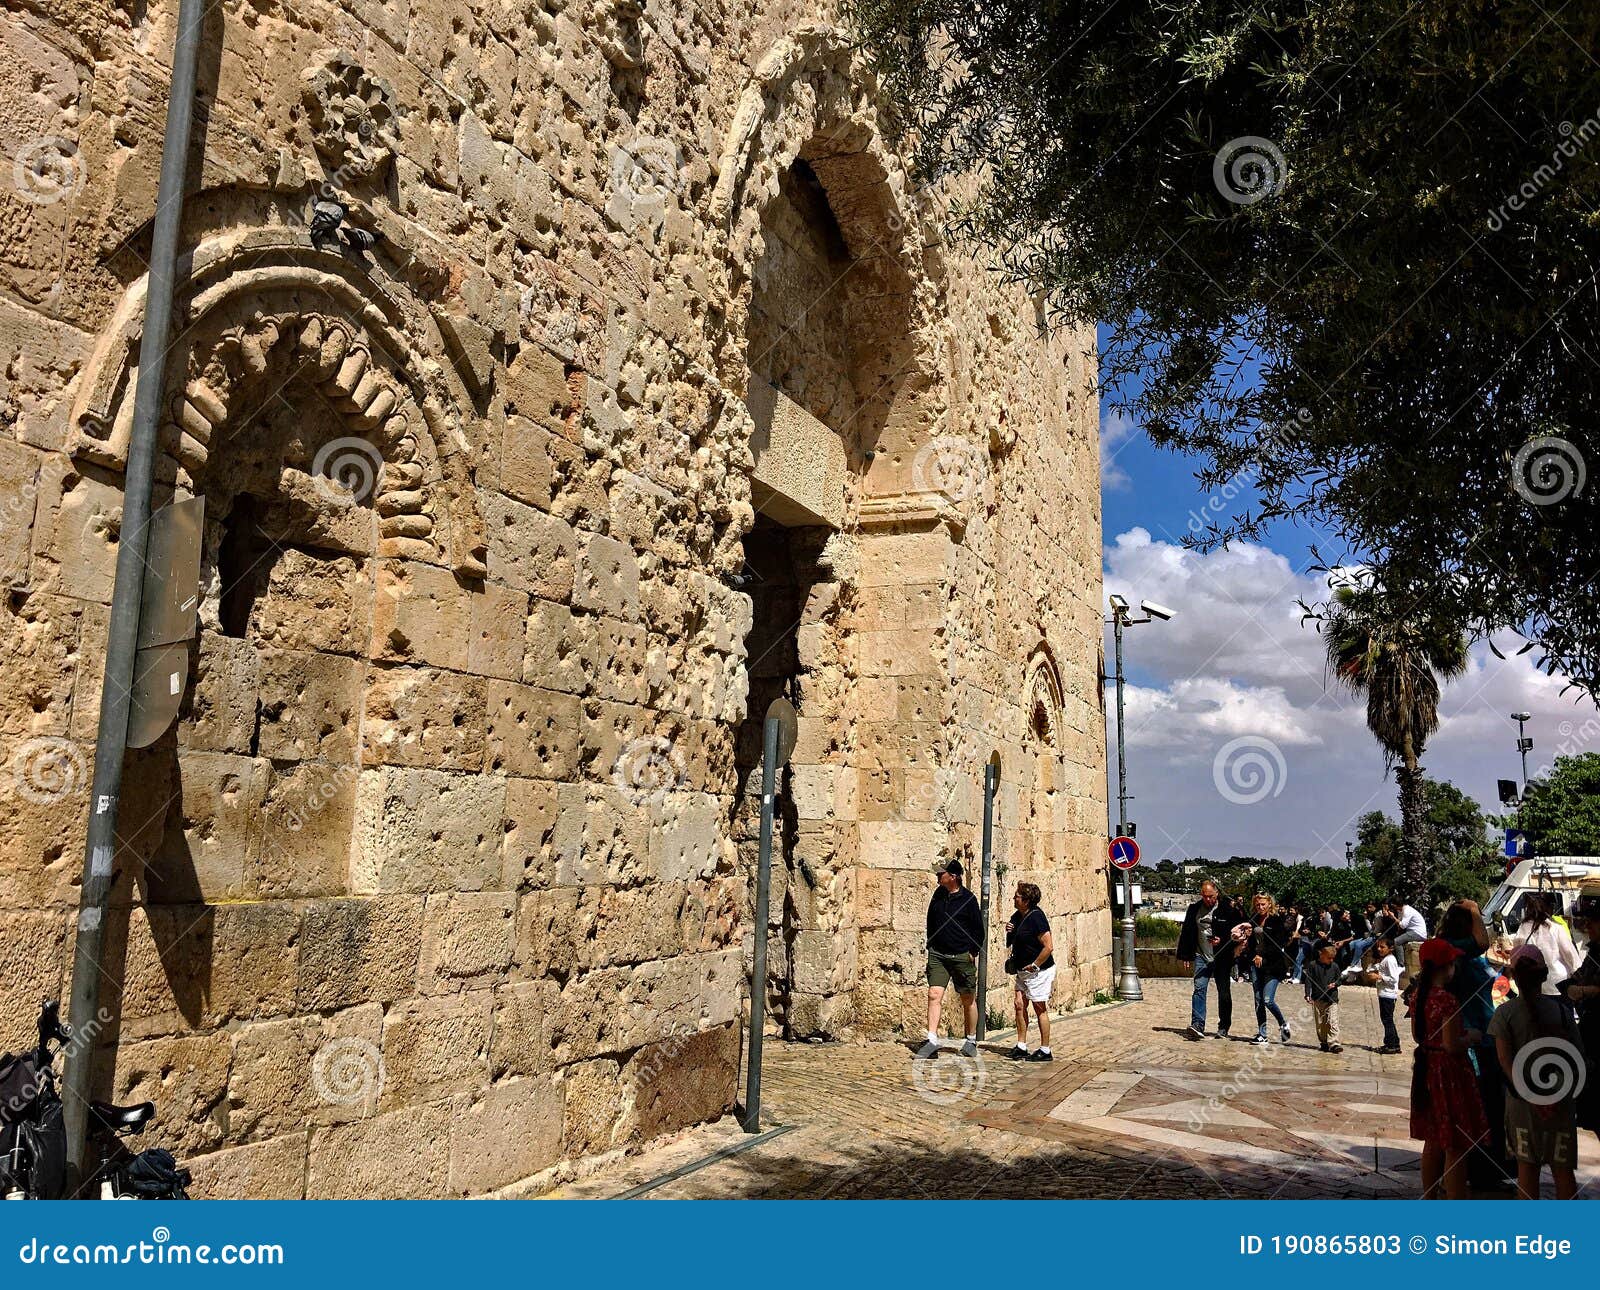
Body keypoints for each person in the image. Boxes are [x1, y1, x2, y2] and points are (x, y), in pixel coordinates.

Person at [1490, 943, 1582, 1199]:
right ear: (1544, 976)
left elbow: (1505, 1062)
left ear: (1515, 977)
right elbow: (1577, 1057)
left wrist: (1529, 1094)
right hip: (1560, 1100)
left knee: (1526, 1170)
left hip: (1522, 1103)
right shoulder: (1562, 1013)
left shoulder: (1504, 1014)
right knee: (1563, 1170)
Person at [1438, 897, 1511, 1192]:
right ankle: (1481, 1171)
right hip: (1475, 1037)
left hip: (1482, 1032)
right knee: (1485, 1104)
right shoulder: (1461, 949)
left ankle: (1480, 1169)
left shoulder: (1453, 949)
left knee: (1485, 1104)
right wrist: (1473, 909)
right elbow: (1482, 941)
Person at [1410, 938, 1489, 1199]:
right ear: (1446, 967)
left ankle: (1429, 1197)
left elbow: (1418, 1036)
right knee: (1456, 1144)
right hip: (1449, 1073)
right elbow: (1452, 1045)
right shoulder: (1447, 1001)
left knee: (1433, 1140)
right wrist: (1473, 1037)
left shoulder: (1418, 997)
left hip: (1426, 1069)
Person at [918, 859, 984, 1059]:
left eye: (941, 874)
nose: (938, 876)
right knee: (934, 995)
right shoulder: (938, 895)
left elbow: (978, 930)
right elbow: (931, 919)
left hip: (961, 955)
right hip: (938, 954)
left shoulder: (969, 900)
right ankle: (931, 1040)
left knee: (967, 998)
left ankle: (971, 1039)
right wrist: (931, 944)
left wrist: (971, 952)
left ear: (953, 877)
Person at [1176, 880, 1246, 1040]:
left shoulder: (1228, 910)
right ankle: (1197, 1025)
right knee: (1199, 989)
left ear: (1217, 894)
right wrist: (1185, 955)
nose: (1208, 899)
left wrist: (1223, 941)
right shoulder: (1194, 909)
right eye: (1205, 896)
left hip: (1221, 957)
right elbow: (1187, 931)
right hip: (1201, 956)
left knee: (1224, 993)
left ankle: (1224, 1026)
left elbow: (1239, 931)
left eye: (1211, 896)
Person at [1558, 887, 1600, 1142]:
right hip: (1591, 1030)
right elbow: (1581, 973)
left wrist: (1584, 990)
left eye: (1593, 921)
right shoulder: (1595, 949)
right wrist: (1571, 985)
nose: (1588, 927)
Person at [1004, 882, 1056, 1062]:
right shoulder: (1017, 916)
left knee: (1039, 1007)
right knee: (1019, 1004)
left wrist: (1035, 965)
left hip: (1039, 972)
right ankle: (1021, 1045)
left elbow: (1048, 946)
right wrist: (1009, 931)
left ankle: (1045, 1049)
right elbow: (1013, 940)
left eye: (1017, 896)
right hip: (1022, 971)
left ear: (1026, 900)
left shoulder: (1037, 918)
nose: (1014, 898)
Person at [1244, 893, 1293, 1045]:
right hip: (1255, 964)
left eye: (1263, 904)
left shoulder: (1276, 921)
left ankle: (1283, 1023)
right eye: (1258, 904)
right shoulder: (1253, 920)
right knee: (1258, 1000)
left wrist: (1263, 956)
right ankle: (1262, 1033)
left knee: (1267, 1000)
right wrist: (1252, 954)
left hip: (1272, 965)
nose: (1261, 907)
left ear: (1269, 904)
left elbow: (1278, 944)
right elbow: (1251, 942)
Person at [1513, 892, 1583, 994]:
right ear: (1548, 908)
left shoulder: (1522, 929)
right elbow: (1572, 958)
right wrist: (1580, 980)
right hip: (1558, 988)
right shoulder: (1555, 928)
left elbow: (1517, 958)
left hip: (1533, 989)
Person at [1302, 940, 1344, 1052]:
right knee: (1321, 1023)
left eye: (1332, 958)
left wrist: (1335, 984)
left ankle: (1334, 1043)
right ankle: (1324, 1041)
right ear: (1322, 955)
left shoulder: (1334, 966)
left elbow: (1340, 979)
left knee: (1332, 1021)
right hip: (1318, 998)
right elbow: (1308, 980)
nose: (1331, 960)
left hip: (1331, 999)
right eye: (1329, 958)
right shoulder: (1313, 965)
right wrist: (1307, 994)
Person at [1373, 935, 1403, 1053]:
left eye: (1382, 947)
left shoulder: (1390, 960)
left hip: (1388, 994)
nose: (1379, 949)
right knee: (1387, 1019)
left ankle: (1391, 1045)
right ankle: (1393, 1043)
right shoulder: (1386, 959)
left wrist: (1379, 976)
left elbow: (1393, 978)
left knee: (1387, 1020)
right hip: (1384, 993)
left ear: (1390, 948)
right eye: (1378, 947)